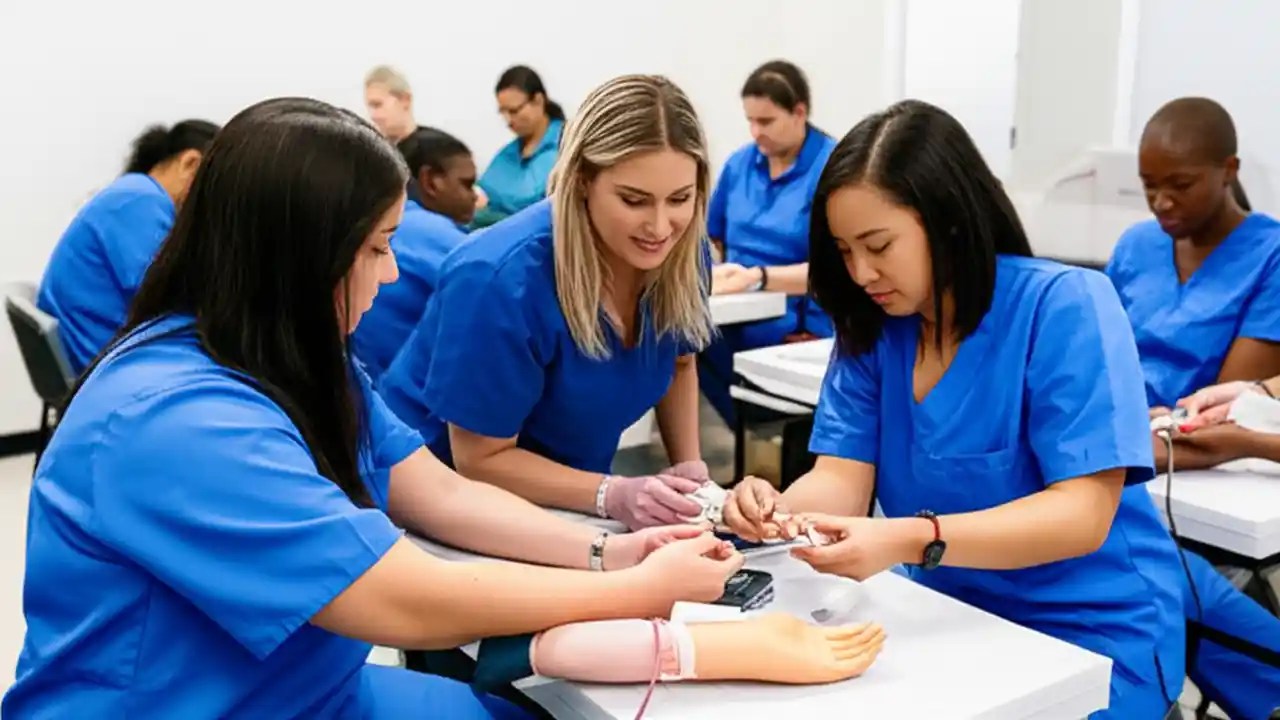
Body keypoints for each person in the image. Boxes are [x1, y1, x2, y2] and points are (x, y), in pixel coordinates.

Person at [5, 97, 745, 720]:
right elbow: (397, 600)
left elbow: (438, 492)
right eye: (377, 247)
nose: (392, 274)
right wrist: (631, 589)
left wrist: (611, 549)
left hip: (307, 688)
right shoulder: (176, 421)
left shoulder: (301, 356)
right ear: (297, 255)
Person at [722, 100, 1186, 719]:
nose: (860, 272)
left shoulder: (1065, 306)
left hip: (1091, 632)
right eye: (843, 251)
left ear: (948, 222)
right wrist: (773, 509)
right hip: (945, 614)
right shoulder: (876, 329)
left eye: (878, 245)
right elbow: (842, 478)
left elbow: (1082, 514)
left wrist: (913, 539)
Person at [380, 74, 716, 531]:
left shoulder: (681, 250)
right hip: (440, 502)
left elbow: (679, 359)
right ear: (582, 181)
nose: (660, 226)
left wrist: (691, 475)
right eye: (633, 200)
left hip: (571, 495)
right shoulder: (496, 278)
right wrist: (610, 493)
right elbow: (479, 459)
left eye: (680, 198)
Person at [1106, 97, 1280, 413]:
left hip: (1199, 444)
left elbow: (1231, 405)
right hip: (1113, 426)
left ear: (1229, 170)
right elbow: (1096, 356)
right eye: (1149, 186)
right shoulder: (1136, 246)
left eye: (1181, 185)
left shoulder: (1271, 256)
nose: (1161, 202)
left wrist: (1161, 423)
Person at [699, 60, 837, 424]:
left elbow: (837, 268)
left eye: (766, 121)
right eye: (750, 121)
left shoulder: (833, 168)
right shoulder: (740, 164)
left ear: (799, 113)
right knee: (678, 339)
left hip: (795, 319)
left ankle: (769, 443)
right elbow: (712, 235)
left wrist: (757, 277)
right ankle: (754, 441)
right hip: (735, 302)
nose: (755, 132)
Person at [37, 119, 219, 375]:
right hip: (103, 362)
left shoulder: (132, 192)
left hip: (91, 349)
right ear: (190, 163)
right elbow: (165, 293)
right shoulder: (141, 199)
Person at [351, 127, 477, 379]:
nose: (475, 196)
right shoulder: (428, 231)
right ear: (430, 180)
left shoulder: (379, 222)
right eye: (467, 184)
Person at [471, 65, 564, 228]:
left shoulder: (564, 149)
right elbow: (482, 190)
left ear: (538, 101)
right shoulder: (508, 154)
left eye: (514, 111)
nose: (508, 121)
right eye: (503, 112)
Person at [363, 65, 419, 144]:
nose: (373, 116)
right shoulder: (373, 150)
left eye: (378, 105)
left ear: (405, 100)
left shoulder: (436, 150)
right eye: (371, 107)